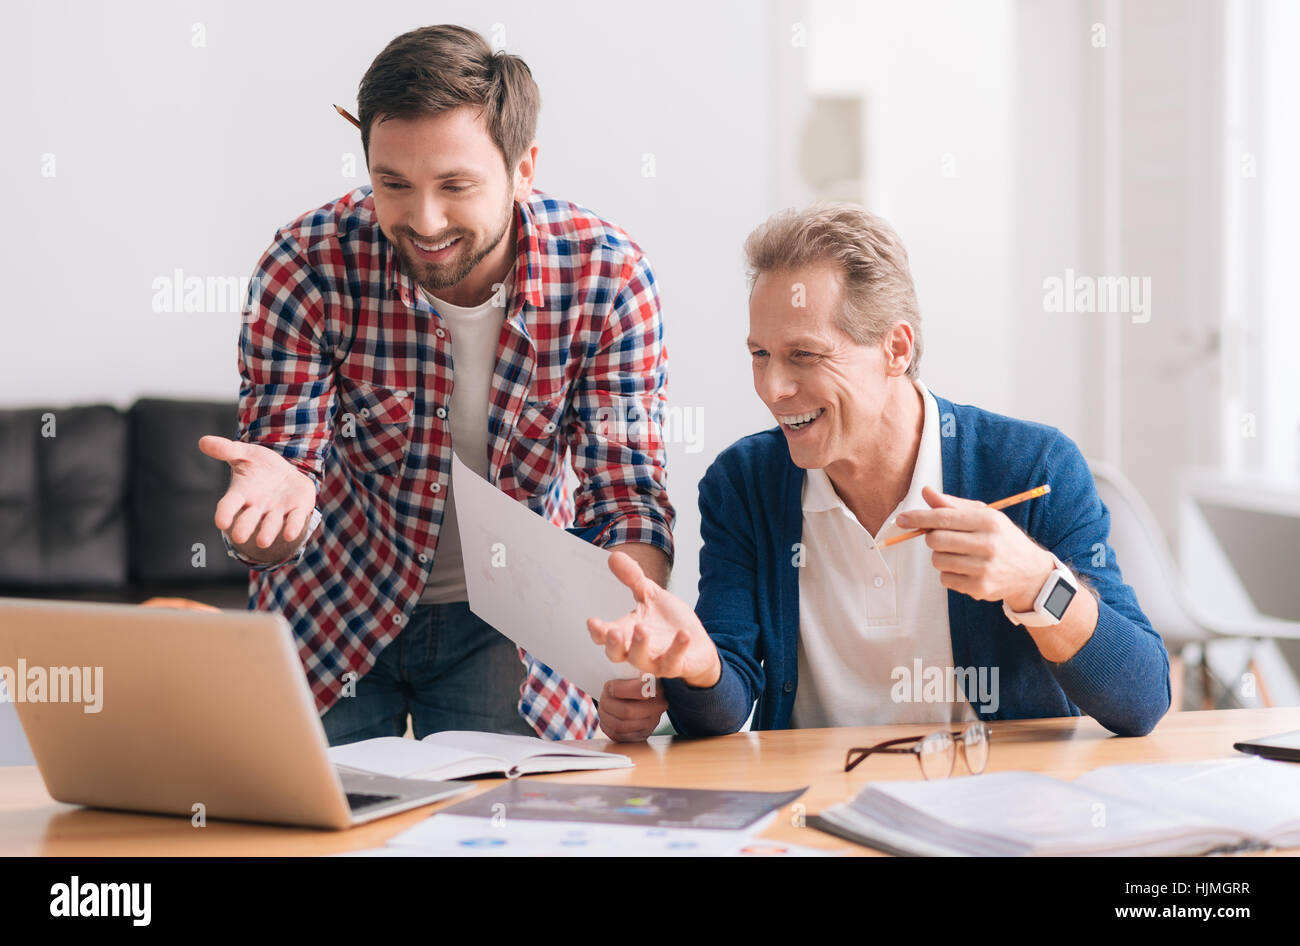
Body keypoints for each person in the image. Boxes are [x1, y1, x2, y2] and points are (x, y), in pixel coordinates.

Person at [199, 25, 673, 745]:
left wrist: (633, 629)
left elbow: (627, 499)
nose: (423, 221)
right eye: (394, 184)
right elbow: (282, 472)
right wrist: (271, 525)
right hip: (333, 607)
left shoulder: (608, 280)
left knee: (498, 830)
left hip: (510, 625)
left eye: (456, 186)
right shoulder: (308, 264)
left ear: (523, 170)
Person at [587, 203, 1169, 741]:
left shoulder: (1032, 466)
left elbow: (1142, 699)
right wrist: (698, 666)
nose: (773, 388)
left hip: (992, 804)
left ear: (895, 349)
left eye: (804, 355)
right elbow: (721, 703)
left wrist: (1038, 584)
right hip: (811, 808)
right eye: (760, 354)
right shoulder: (744, 483)